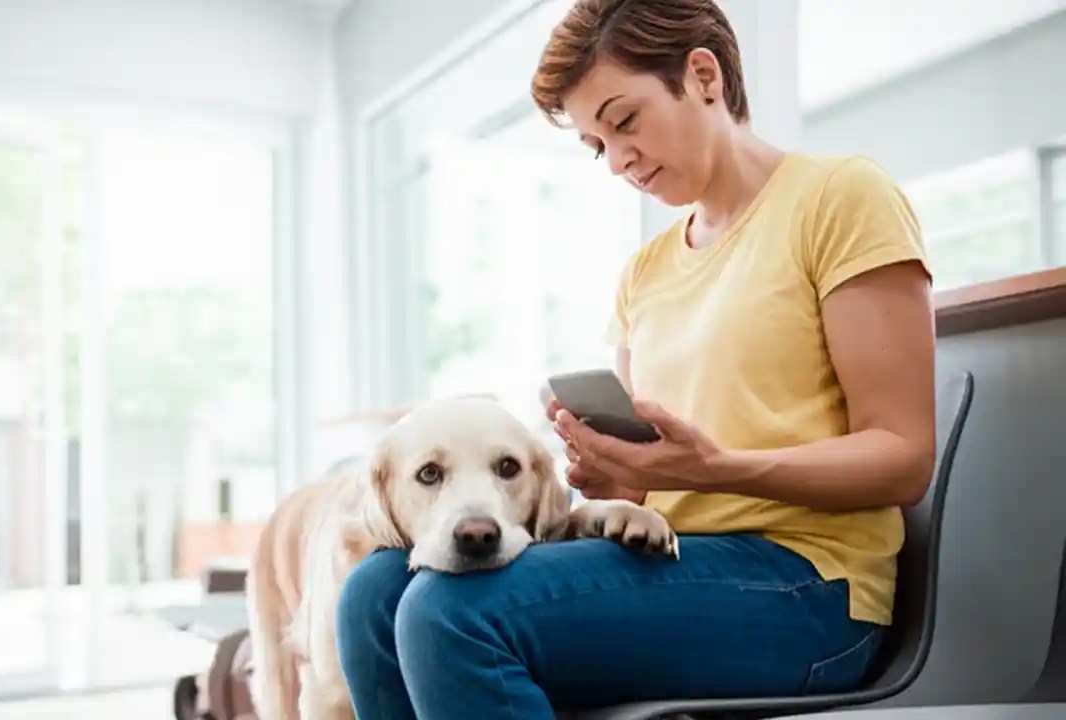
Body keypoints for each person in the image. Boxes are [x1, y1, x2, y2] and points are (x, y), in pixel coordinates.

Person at [334, 0, 937, 717]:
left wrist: (717, 470)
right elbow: (646, 495)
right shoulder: (645, 272)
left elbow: (904, 457)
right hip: (677, 562)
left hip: (811, 587)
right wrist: (611, 477)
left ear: (704, 76)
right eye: (597, 145)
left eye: (624, 122)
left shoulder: (841, 198)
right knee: (373, 592)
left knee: (448, 612)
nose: (618, 162)